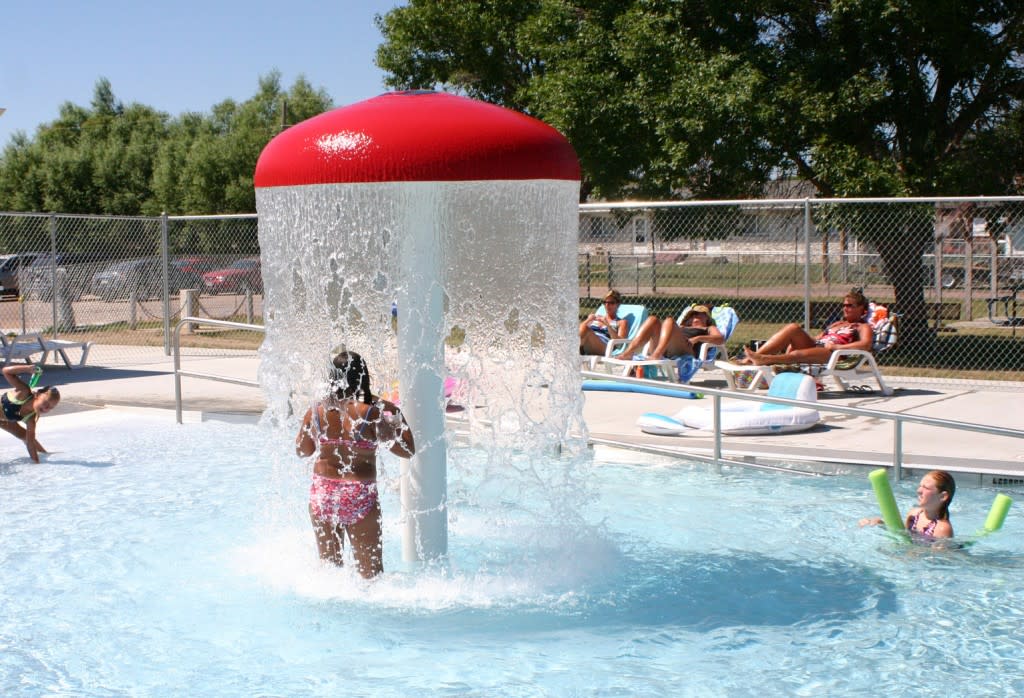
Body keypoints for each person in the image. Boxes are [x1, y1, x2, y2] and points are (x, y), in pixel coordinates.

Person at [295, 351, 415, 578]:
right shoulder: (373, 412)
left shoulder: (316, 411)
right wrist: (395, 419)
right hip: (358, 493)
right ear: (363, 377)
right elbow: (408, 450)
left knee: (329, 573)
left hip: (323, 494)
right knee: (371, 577)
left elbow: (303, 450)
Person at [738, 288, 873, 366]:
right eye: (844, 305)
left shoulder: (862, 326)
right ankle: (752, 358)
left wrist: (837, 347)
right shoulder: (837, 323)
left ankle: (764, 360)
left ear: (863, 309)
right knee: (793, 328)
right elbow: (817, 338)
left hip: (833, 354)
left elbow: (865, 344)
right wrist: (797, 340)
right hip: (818, 346)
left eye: (850, 306)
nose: (845, 308)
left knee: (796, 354)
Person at [860, 470, 955, 541]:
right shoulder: (914, 514)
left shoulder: (942, 529)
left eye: (925, 488)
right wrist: (880, 523)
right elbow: (901, 533)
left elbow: (936, 559)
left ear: (942, 496)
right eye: (920, 486)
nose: (919, 491)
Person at [616, 304, 724, 361]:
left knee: (669, 321)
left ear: (707, 317)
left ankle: (657, 354)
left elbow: (720, 339)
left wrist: (698, 338)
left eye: (699, 314)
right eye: (693, 314)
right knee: (652, 319)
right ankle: (629, 352)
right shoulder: (682, 326)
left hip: (685, 350)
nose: (695, 316)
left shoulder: (709, 328)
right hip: (666, 348)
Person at [1, 364, 59, 463]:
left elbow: (30, 442)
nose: (46, 409)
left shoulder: (31, 419)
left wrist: (36, 463)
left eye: (50, 408)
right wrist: (27, 369)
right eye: (45, 403)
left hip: (4, 420)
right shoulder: (23, 392)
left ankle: (45, 454)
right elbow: (6, 371)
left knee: (25, 436)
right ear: (36, 395)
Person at [579, 289, 631, 355]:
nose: (607, 305)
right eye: (605, 302)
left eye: (611, 302)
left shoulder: (621, 322)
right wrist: (588, 320)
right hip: (586, 343)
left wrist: (607, 324)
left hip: (604, 347)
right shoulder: (596, 318)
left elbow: (619, 344)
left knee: (584, 328)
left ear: (618, 304)